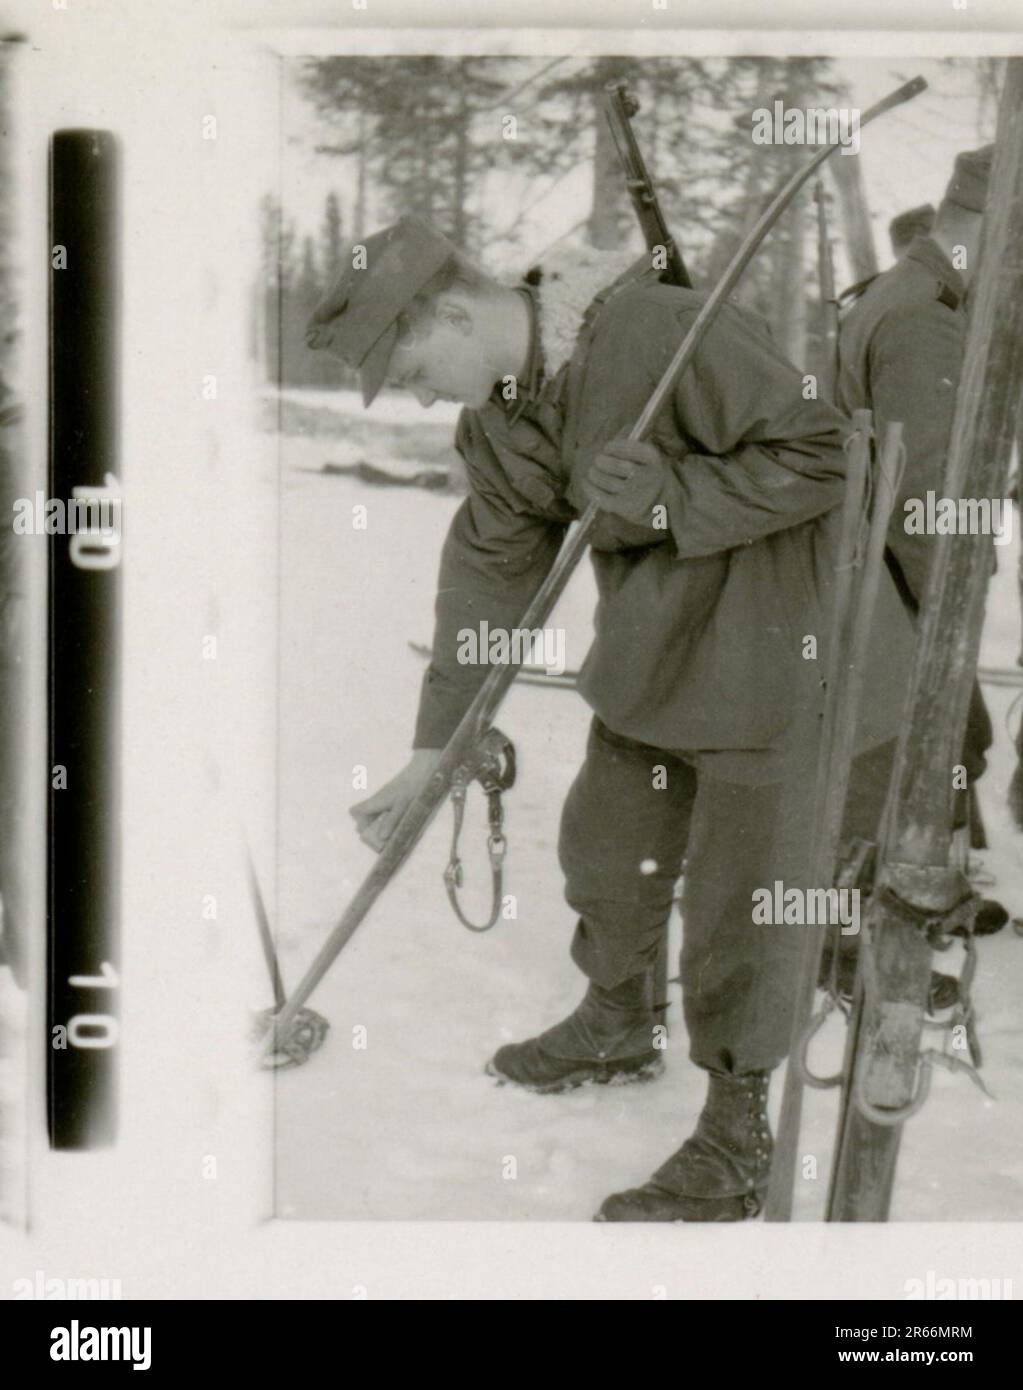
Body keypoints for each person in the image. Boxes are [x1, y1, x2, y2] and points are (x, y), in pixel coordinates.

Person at [305, 215, 914, 1221]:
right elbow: (489, 576)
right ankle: (619, 1018)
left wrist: (677, 493)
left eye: (407, 365)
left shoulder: (667, 329)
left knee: (742, 903)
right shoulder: (498, 418)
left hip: (786, 645)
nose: (410, 394)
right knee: (606, 847)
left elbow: (830, 452)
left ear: (455, 310)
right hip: (660, 647)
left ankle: (735, 1123)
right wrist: (437, 749)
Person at [832, 145, 1007, 992]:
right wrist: (957, 610)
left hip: (888, 596)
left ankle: (871, 947)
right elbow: (927, 514)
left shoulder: (925, 296)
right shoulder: (925, 316)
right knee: (902, 768)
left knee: (948, 752)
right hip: (892, 606)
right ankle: (866, 964)